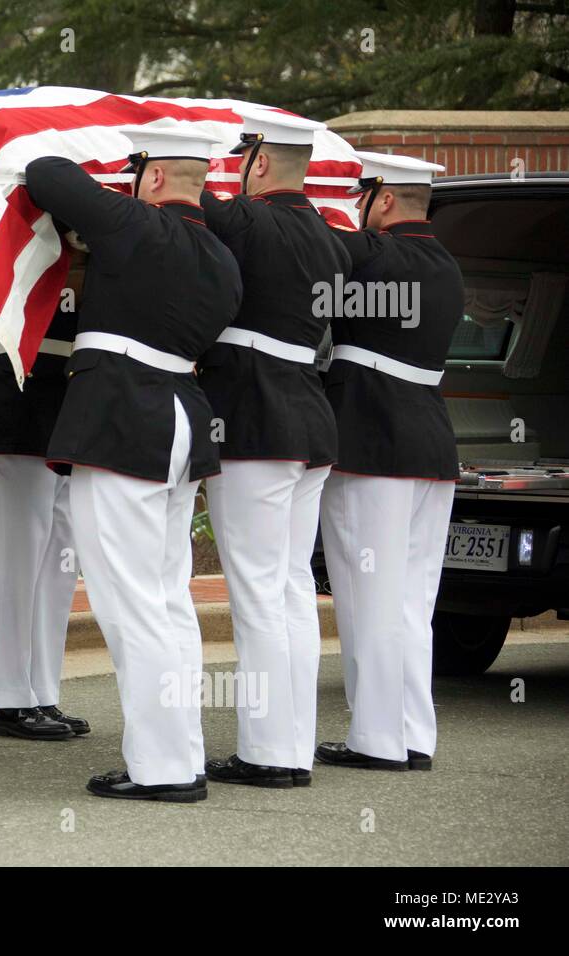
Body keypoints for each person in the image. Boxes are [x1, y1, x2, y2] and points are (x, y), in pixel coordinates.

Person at [25, 127, 242, 801]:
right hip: (179, 419)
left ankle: (163, 768)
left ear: (150, 179)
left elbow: (44, 171)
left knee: (132, 606)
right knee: (168, 600)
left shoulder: (134, 225)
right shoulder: (222, 258)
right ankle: (178, 754)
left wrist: (91, 148)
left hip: (124, 420)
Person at [197, 108, 351, 789]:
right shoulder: (330, 237)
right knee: (287, 588)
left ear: (258, 162)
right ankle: (291, 746)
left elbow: (178, 192)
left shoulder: (240, 221)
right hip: (309, 421)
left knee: (260, 592)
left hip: (255, 421)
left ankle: (269, 752)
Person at [316, 151, 462, 773]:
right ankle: (412, 734)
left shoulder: (370, 256)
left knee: (366, 594)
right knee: (410, 600)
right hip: (432, 446)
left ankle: (375, 739)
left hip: (373, 446)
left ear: (381, 198)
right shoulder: (449, 267)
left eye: (362, 197)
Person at [0, 253, 88, 740]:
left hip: (67, 423)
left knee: (59, 569)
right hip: (16, 419)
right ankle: (10, 698)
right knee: (18, 568)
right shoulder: (23, 248)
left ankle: (42, 691)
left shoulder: (97, 257)